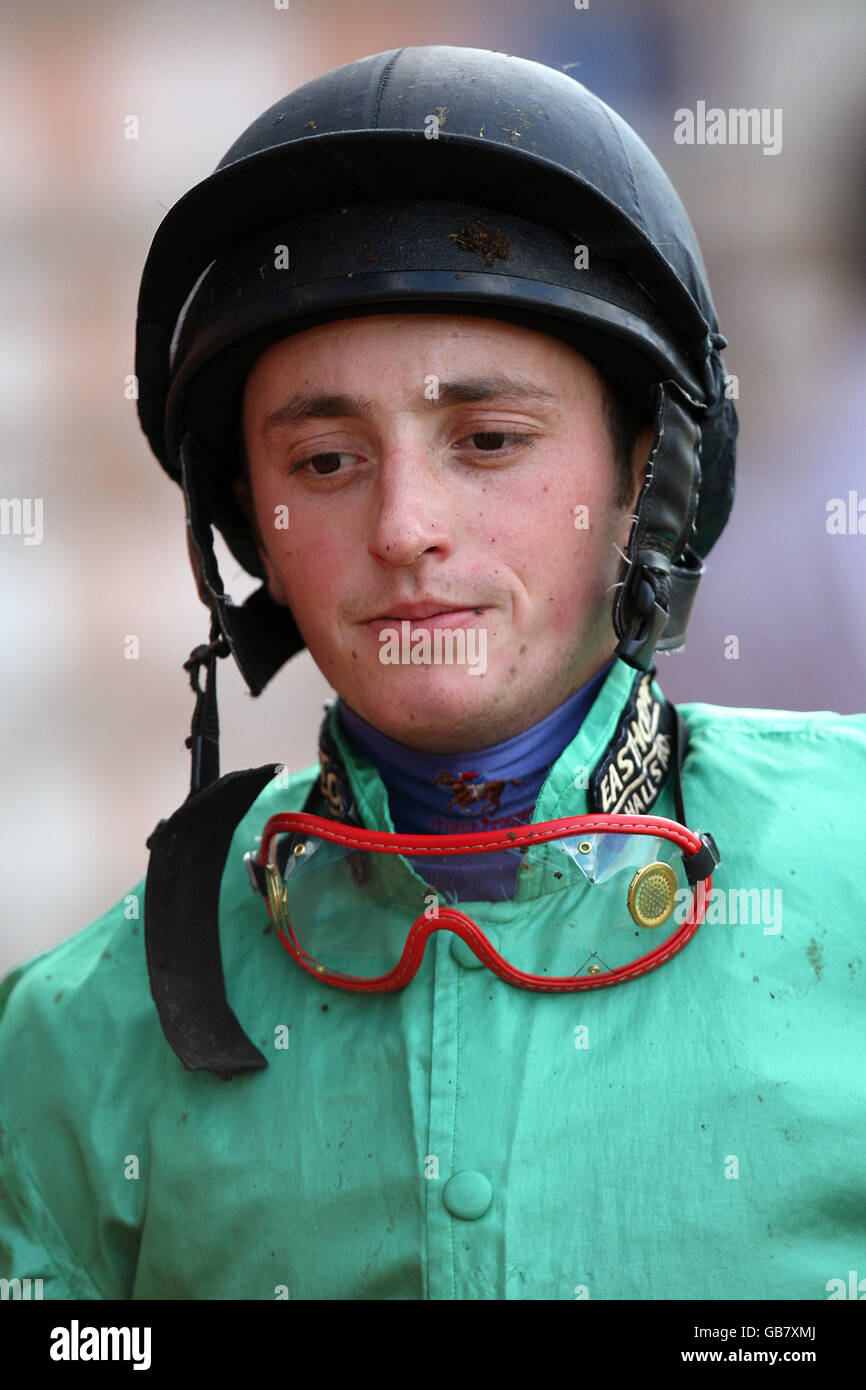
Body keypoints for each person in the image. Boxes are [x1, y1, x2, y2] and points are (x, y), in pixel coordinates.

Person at [1, 44, 863, 1304]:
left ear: (647, 477)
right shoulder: (78, 1034)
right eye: (325, 463)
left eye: (488, 439)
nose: (405, 526)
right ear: (249, 526)